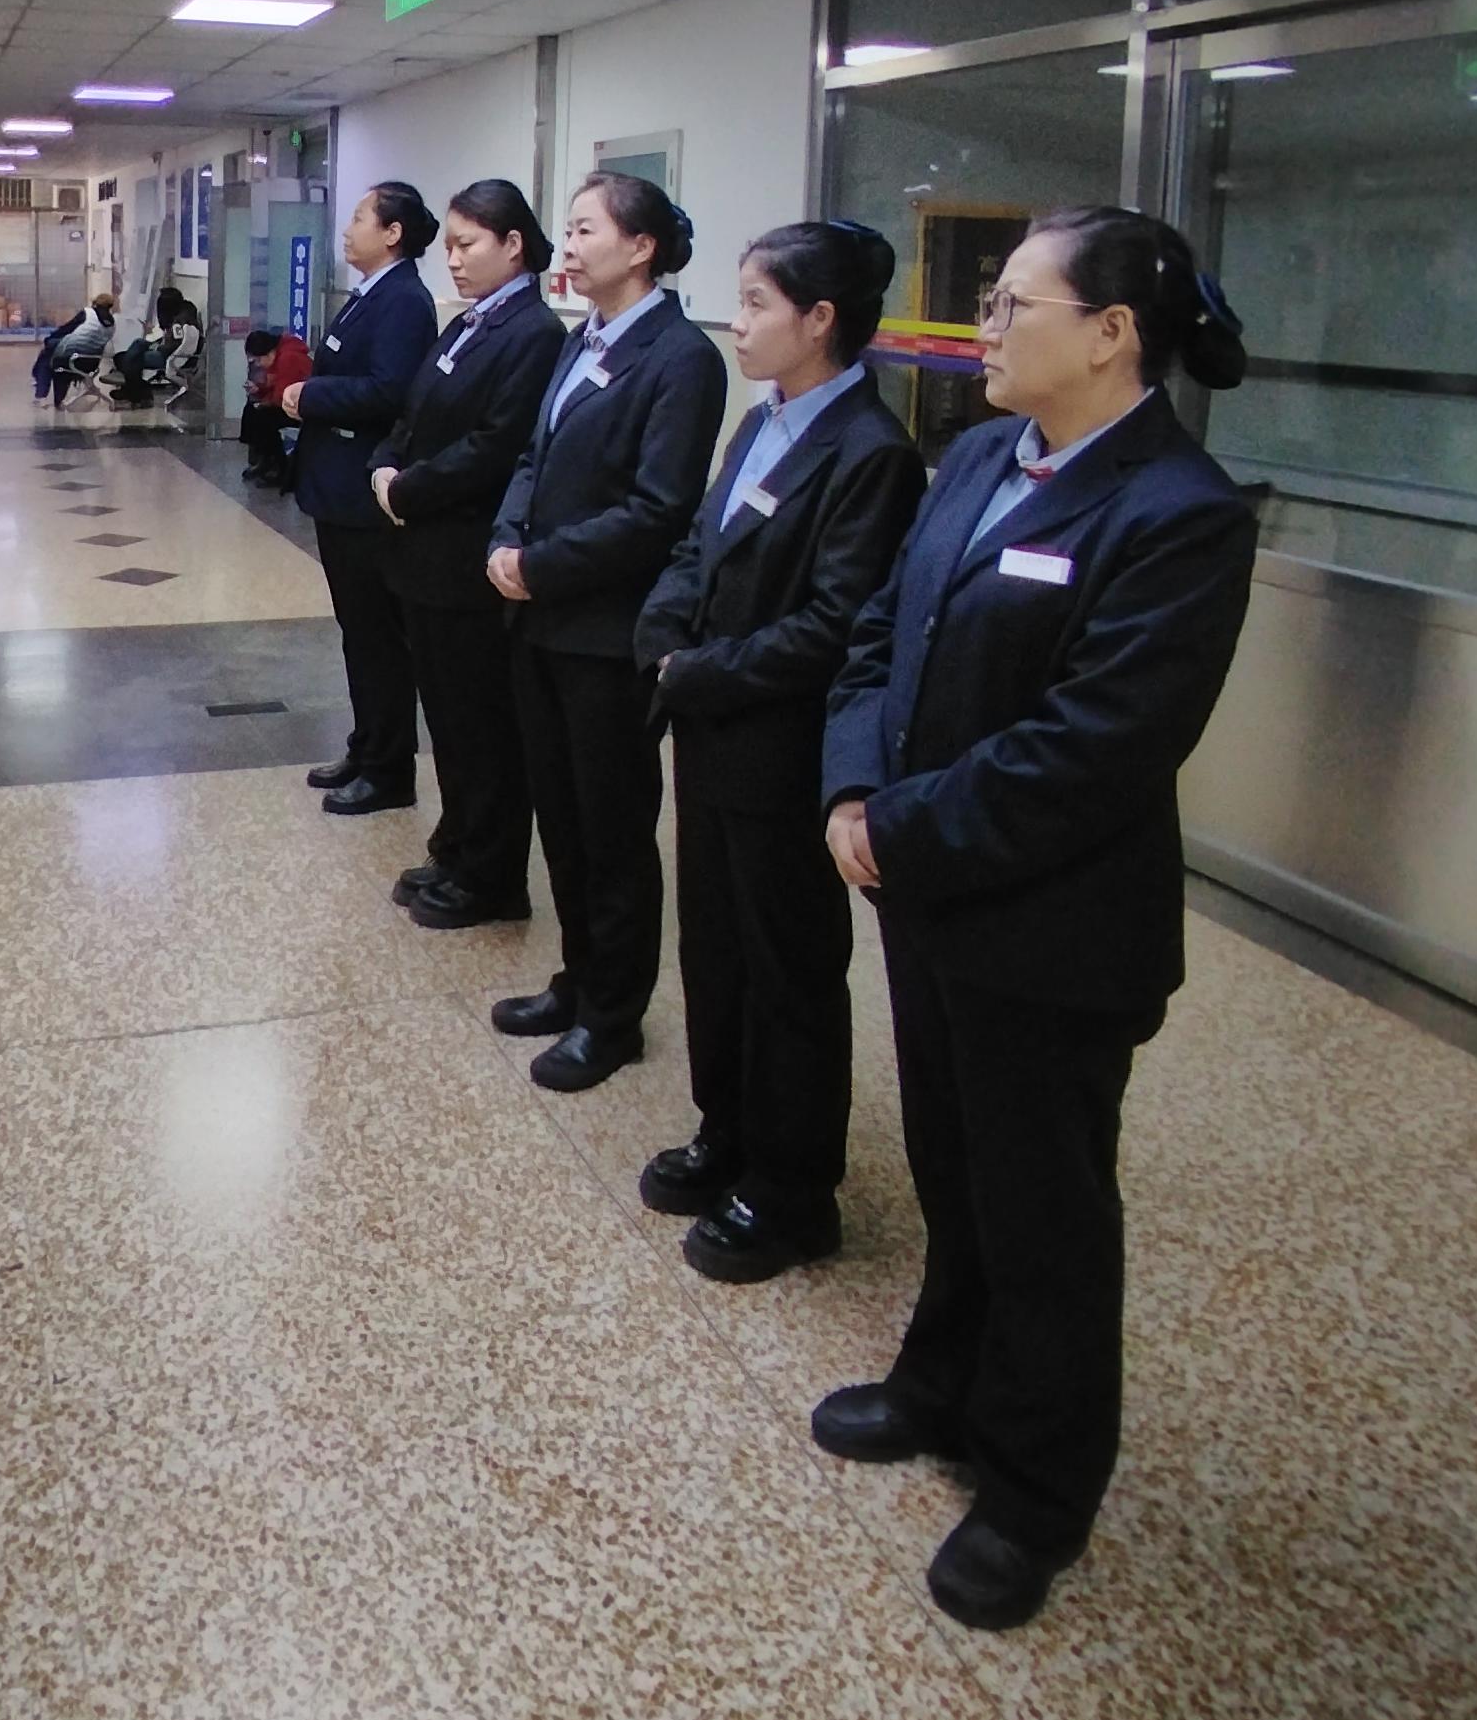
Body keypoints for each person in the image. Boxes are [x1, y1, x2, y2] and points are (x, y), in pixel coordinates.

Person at [815, 207, 1258, 1631]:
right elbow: (883, 632)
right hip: (932, 899)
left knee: (1045, 1212)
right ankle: (942, 1382)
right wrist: (852, 784)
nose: (983, 328)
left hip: (1052, 933)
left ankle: (1036, 1490)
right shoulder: (978, 459)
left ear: (1113, 334)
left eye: (1014, 306)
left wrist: (897, 828)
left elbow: (1091, 750)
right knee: (954, 1166)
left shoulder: (1178, 515)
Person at [634, 219, 923, 1276]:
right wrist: (662, 636)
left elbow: (839, 624)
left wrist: (699, 672)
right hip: (713, 737)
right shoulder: (761, 422)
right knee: (715, 949)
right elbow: (695, 549)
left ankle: (796, 1187)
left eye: (757, 303)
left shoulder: (871, 455)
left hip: (785, 750)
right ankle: (728, 1130)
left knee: (787, 967)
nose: (740, 322)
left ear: (820, 319)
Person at [485, 174, 726, 1089]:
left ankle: (613, 1014)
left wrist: (540, 564)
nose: (570, 246)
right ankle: (577, 978)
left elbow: (658, 509)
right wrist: (506, 540)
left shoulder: (681, 359)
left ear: (641, 247)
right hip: (540, 621)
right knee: (561, 815)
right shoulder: (580, 338)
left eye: (586, 230)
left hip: (607, 633)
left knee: (613, 829)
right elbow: (532, 456)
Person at [369, 179, 566, 928]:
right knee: (448, 723)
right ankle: (455, 848)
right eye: (448, 245)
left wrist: (408, 488)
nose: (451, 258)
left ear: (513, 245)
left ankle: (492, 876)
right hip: (424, 556)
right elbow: (414, 413)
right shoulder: (467, 324)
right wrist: (385, 464)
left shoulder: (534, 334)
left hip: (465, 562)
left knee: (483, 728)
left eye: (466, 244)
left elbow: (494, 447)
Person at [285, 182, 440, 816]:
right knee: (358, 633)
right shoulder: (369, 294)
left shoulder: (403, 301)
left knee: (378, 638)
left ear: (392, 233)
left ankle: (389, 770)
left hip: (363, 494)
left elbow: (389, 390)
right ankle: (367, 744)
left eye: (358, 218)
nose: (347, 230)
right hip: (337, 486)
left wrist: (311, 396)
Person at [239, 324, 311, 483]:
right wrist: (259, 390)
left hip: (303, 408)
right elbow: (277, 387)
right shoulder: (280, 356)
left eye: (258, 360)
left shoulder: (288, 359)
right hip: (292, 404)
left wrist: (264, 402)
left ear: (270, 352)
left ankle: (278, 467)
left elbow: (281, 396)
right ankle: (264, 459)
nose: (258, 364)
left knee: (264, 419)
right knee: (252, 410)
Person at [48, 290, 117, 406]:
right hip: (92, 363)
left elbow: (67, 328)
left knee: (50, 354)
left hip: (71, 359)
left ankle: (53, 399)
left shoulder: (88, 313)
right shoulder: (112, 324)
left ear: (95, 303)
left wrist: (52, 336)